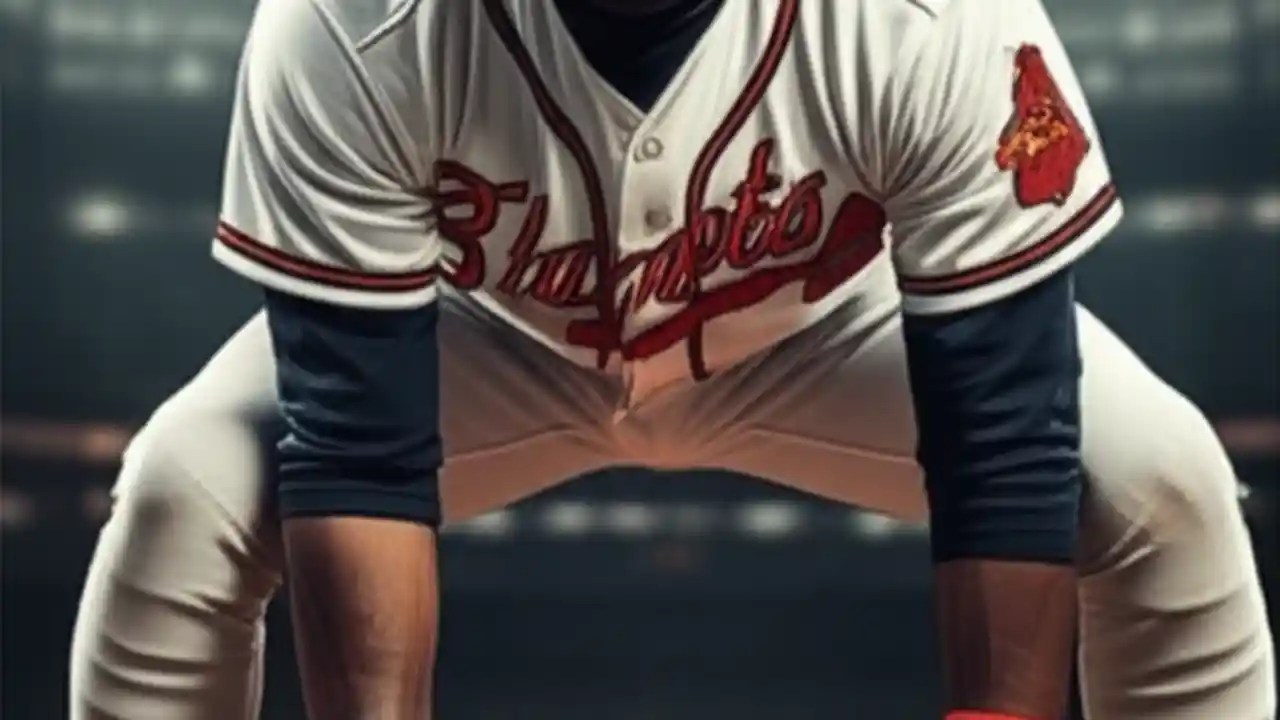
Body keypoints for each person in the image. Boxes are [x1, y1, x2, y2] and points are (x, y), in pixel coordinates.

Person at [70, 0, 1276, 718]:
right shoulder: (354, 22)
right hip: (482, 326)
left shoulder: (930, 18)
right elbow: (359, 453)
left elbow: (1003, 441)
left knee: (1159, 477)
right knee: (186, 486)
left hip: (834, 327)